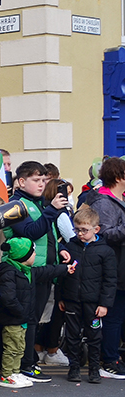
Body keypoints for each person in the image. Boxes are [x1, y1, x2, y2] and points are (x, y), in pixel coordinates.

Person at [5, 161, 70, 383]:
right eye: (36, 180)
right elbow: (30, 232)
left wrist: (60, 250)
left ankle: (28, 362)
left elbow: (48, 235)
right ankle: (26, 365)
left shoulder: (39, 203)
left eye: (44, 180)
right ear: (21, 181)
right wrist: (52, 210)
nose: (41, 184)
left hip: (43, 269)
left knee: (35, 318)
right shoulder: (15, 204)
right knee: (29, 319)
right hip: (28, 270)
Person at [0, 237, 72, 389]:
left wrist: (65, 269)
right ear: (23, 256)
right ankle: (7, 375)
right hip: (13, 319)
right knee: (12, 348)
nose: (35, 255)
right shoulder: (9, 273)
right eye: (33, 252)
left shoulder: (27, 271)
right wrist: (21, 312)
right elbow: (9, 298)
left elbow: (46, 271)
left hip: (21, 318)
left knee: (19, 348)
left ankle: (15, 372)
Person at [59, 206, 118, 383]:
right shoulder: (71, 246)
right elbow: (64, 273)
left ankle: (93, 369)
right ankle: (74, 367)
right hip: (72, 299)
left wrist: (105, 304)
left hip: (93, 302)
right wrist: (61, 297)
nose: (80, 234)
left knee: (94, 335)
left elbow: (110, 279)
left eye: (84, 230)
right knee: (72, 335)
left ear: (96, 229)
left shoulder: (105, 251)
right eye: (77, 230)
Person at [87, 156, 125, 379]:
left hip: (121, 266)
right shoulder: (103, 202)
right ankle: (109, 360)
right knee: (113, 316)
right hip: (114, 267)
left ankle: (114, 355)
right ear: (119, 177)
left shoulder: (117, 199)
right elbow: (104, 233)